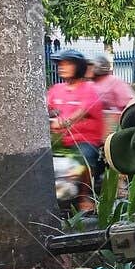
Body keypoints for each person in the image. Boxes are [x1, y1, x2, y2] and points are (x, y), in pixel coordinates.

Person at [46, 49, 106, 177]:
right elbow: (45, 109)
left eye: (67, 64)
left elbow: (81, 111)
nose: (62, 68)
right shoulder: (56, 89)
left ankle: (85, 195)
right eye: (60, 65)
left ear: (79, 67)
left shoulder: (89, 89)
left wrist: (63, 123)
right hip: (59, 141)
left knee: (84, 159)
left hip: (84, 142)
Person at [88, 51, 135, 130]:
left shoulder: (114, 81)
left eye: (91, 67)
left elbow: (128, 103)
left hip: (112, 125)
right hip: (93, 125)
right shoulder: (89, 84)